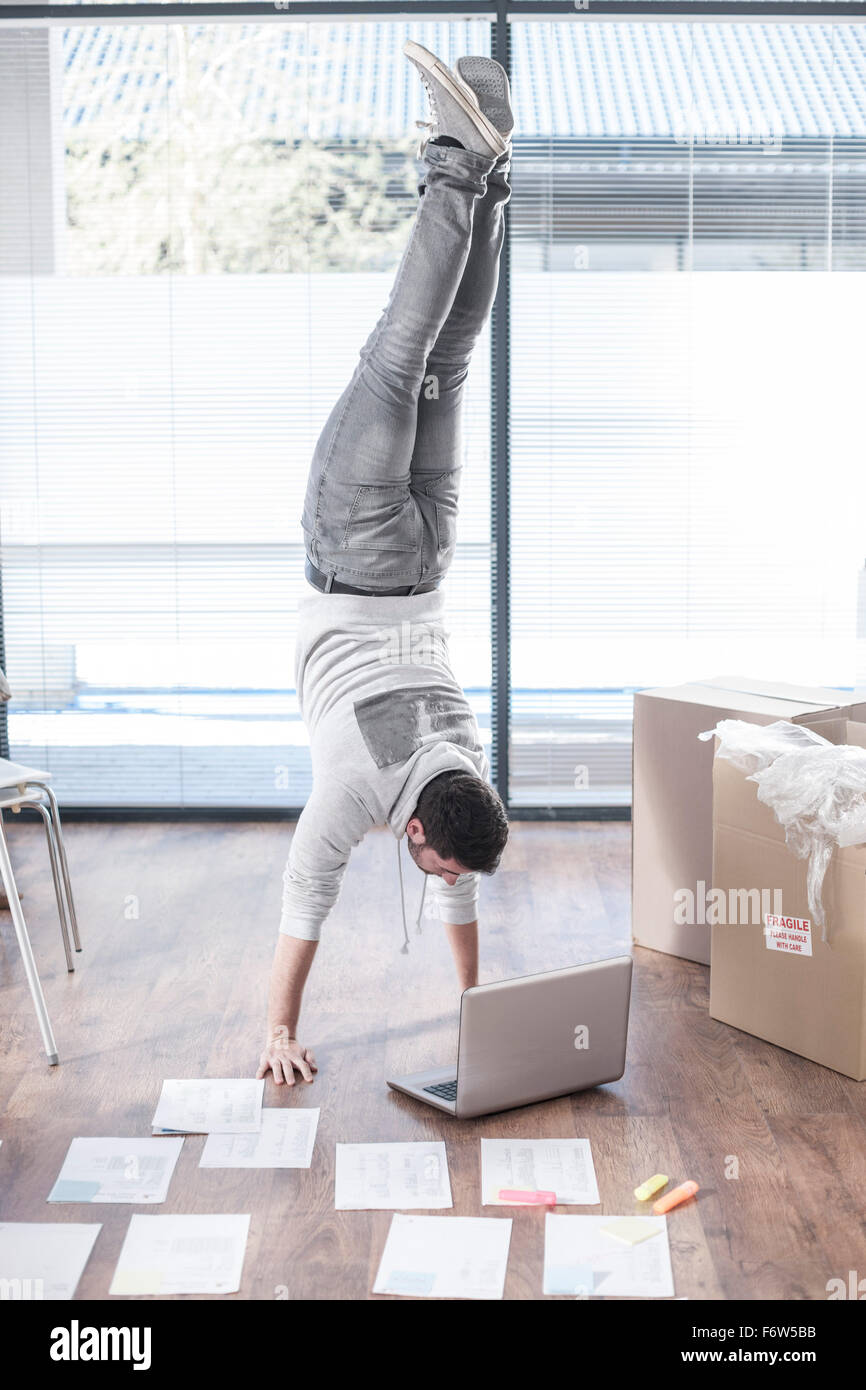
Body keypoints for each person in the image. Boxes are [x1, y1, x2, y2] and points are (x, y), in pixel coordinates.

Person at [257, 43, 514, 1087]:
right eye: (439, 861)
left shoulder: (466, 772)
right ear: (413, 825)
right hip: (359, 549)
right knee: (397, 356)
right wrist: (277, 1028)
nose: (444, 879)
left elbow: (455, 884)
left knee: (444, 363)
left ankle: (489, 166)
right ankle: (459, 159)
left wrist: (474, 1006)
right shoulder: (359, 793)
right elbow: (301, 899)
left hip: (427, 554)